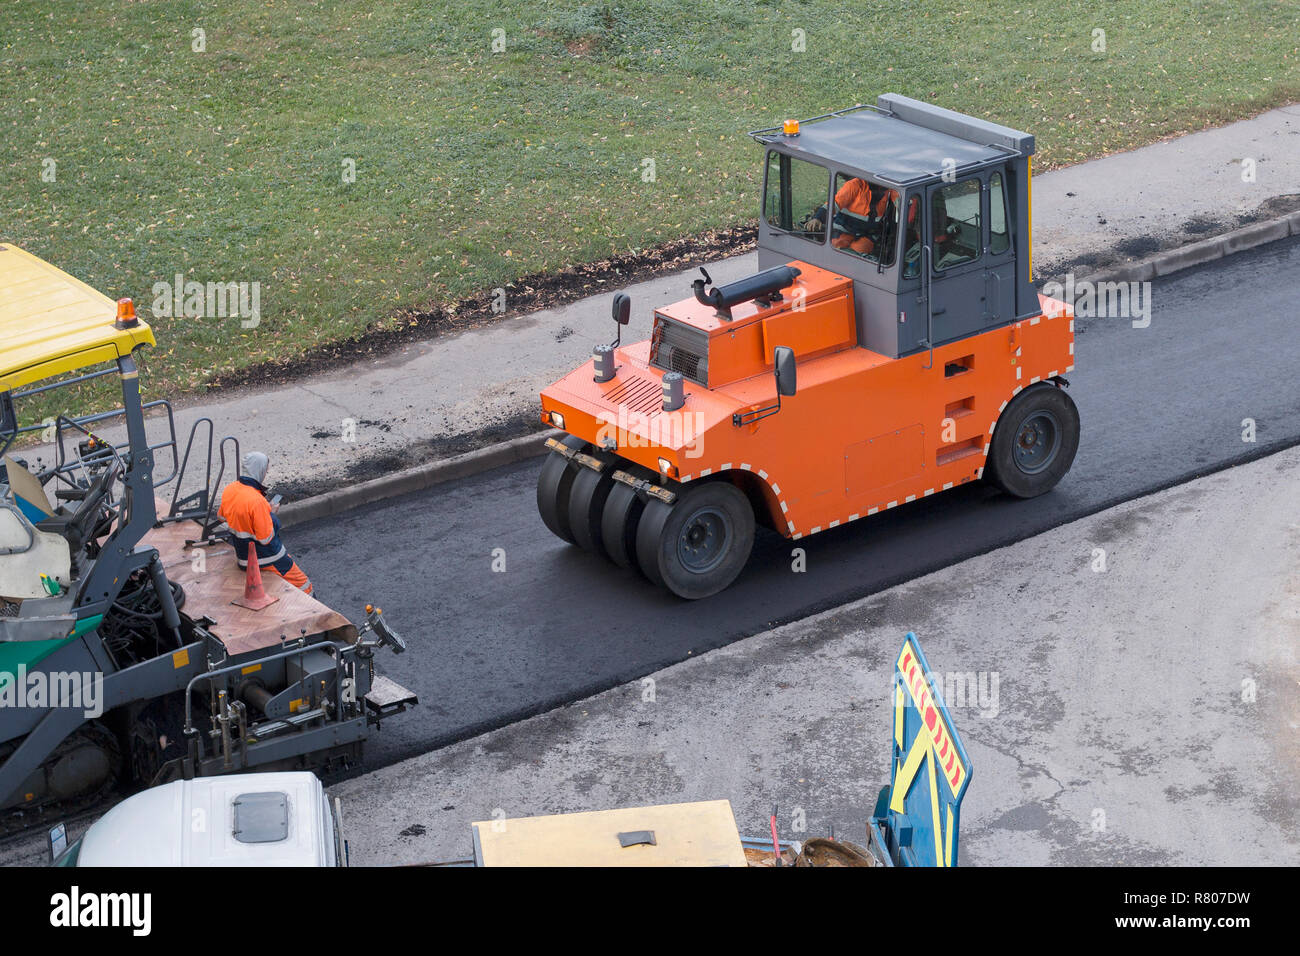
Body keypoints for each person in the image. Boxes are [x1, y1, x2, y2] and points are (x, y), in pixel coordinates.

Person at [218, 451, 313, 595]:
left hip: (243, 558)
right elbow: (265, 538)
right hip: (265, 558)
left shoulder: (230, 489)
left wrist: (262, 512)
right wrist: (269, 514)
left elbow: (221, 517)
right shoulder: (256, 501)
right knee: (303, 584)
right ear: (260, 470)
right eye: (265, 471)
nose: (265, 474)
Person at [806, 177, 896, 256]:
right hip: (843, 228)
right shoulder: (854, 185)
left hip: (868, 233)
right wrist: (818, 218)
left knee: (860, 251)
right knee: (836, 246)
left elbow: (902, 202)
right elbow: (835, 203)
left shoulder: (890, 190)